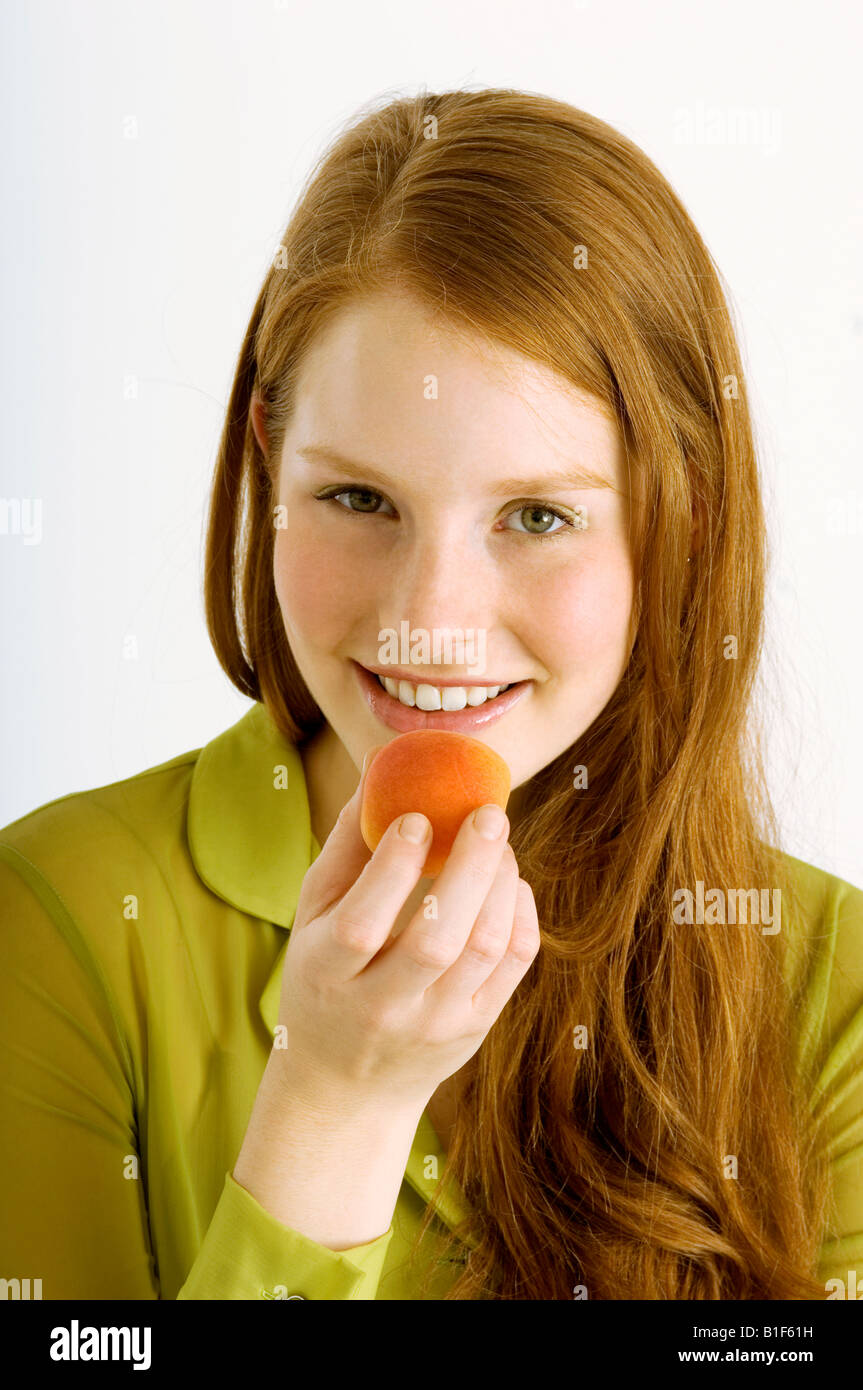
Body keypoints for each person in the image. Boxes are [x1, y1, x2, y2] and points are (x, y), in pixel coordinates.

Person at [2, 86, 861, 1302]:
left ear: (683, 521)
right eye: (360, 500)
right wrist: (332, 1104)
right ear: (268, 461)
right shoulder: (60, 921)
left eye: (535, 515)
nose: (431, 617)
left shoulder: (831, 984)